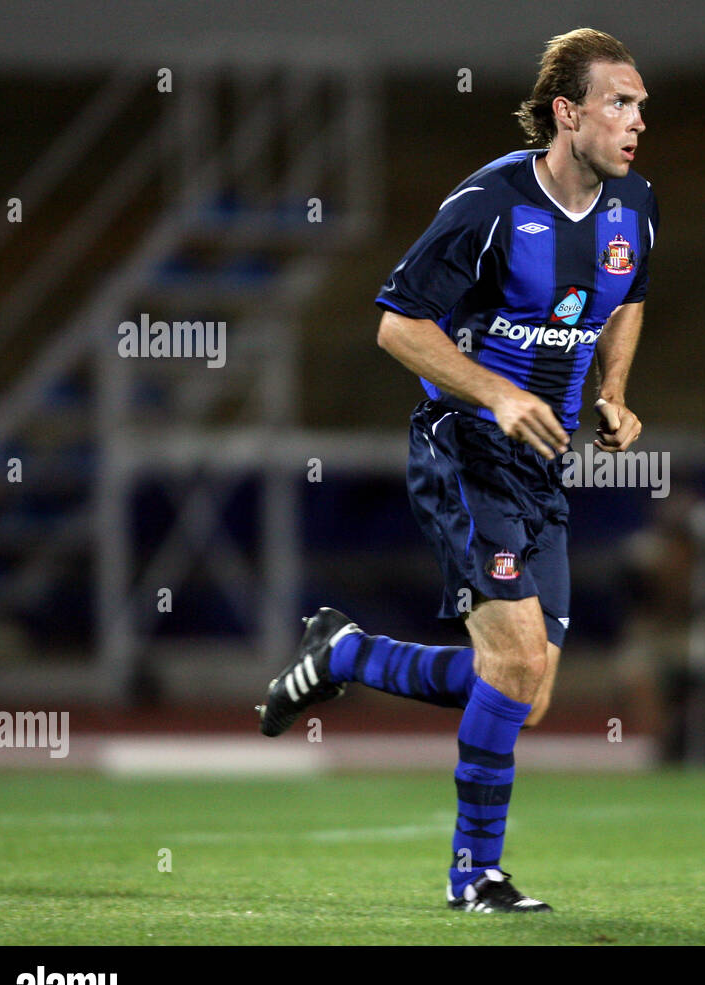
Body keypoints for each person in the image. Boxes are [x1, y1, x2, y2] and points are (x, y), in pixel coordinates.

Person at [255, 28, 655, 914]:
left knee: (526, 693)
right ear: (568, 111)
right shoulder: (489, 204)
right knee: (512, 663)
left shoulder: (635, 209)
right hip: (464, 448)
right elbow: (398, 325)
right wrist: (497, 395)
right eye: (619, 104)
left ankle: (347, 652)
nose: (635, 123)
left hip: (542, 470)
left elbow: (626, 300)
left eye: (640, 108)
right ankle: (474, 875)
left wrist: (614, 393)